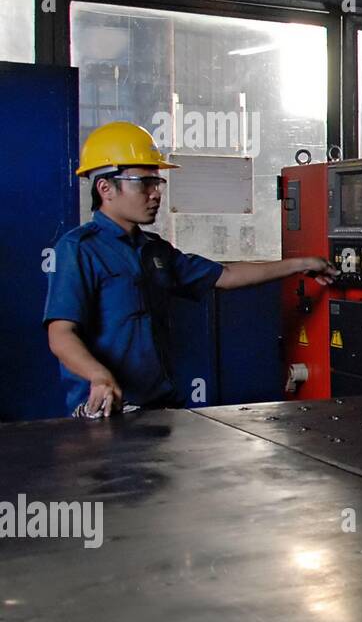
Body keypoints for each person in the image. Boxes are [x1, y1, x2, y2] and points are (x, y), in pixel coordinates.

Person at [43, 121, 337, 417]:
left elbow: (227, 275)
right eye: (144, 184)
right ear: (105, 187)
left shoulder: (155, 251)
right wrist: (99, 376)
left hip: (158, 407)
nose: (155, 194)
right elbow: (61, 333)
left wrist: (302, 264)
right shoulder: (79, 249)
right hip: (106, 410)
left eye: (157, 184)